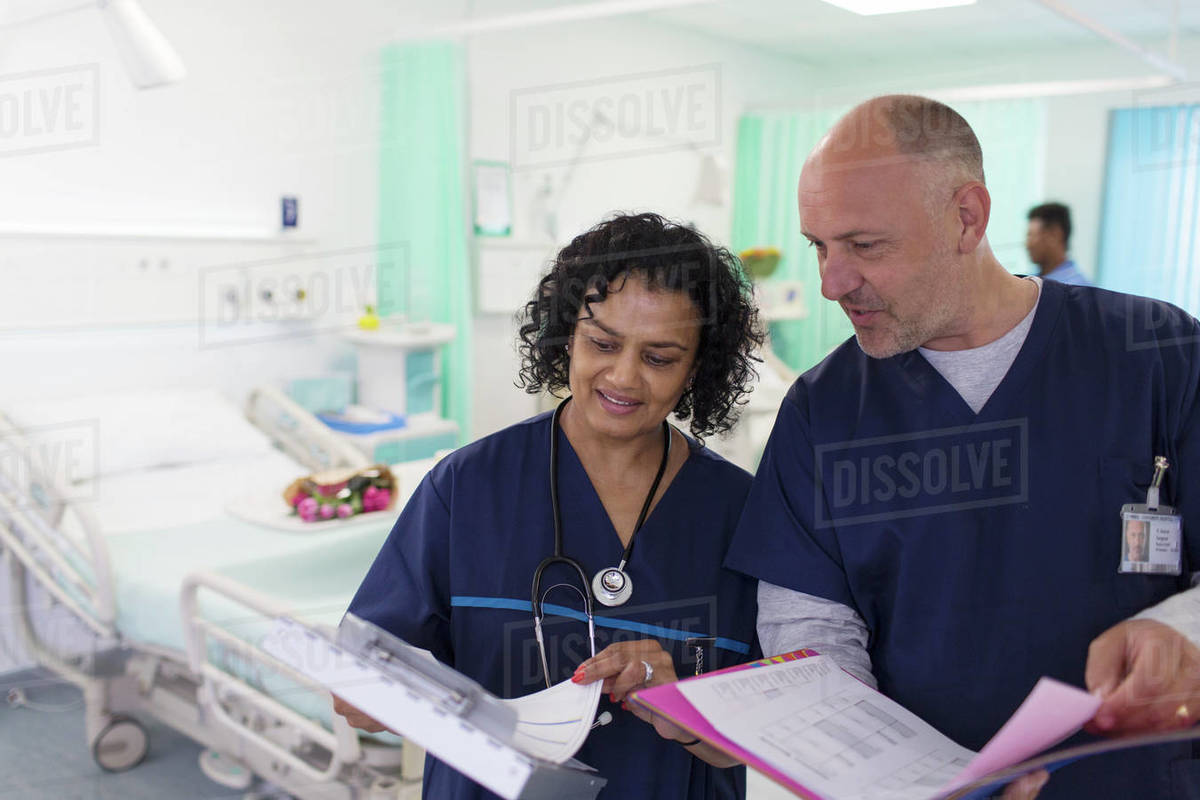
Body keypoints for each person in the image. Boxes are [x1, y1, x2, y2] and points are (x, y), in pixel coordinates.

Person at [725, 95, 1200, 799]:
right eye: (819, 246)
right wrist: (873, 774)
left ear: (967, 217)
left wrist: (1180, 629)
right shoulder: (822, 412)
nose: (832, 282)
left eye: (864, 245)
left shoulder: (1157, 356)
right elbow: (809, 624)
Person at [336, 212, 763, 799]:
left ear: (698, 368)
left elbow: (777, 734)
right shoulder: (466, 489)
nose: (623, 376)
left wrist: (681, 709)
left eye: (659, 357)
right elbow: (356, 693)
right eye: (602, 343)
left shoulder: (743, 516)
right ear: (566, 336)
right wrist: (382, 692)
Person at [1026, 202, 1092, 286]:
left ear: (1055, 235)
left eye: (1032, 236)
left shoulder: (1077, 290)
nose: (1028, 245)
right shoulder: (1031, 281)